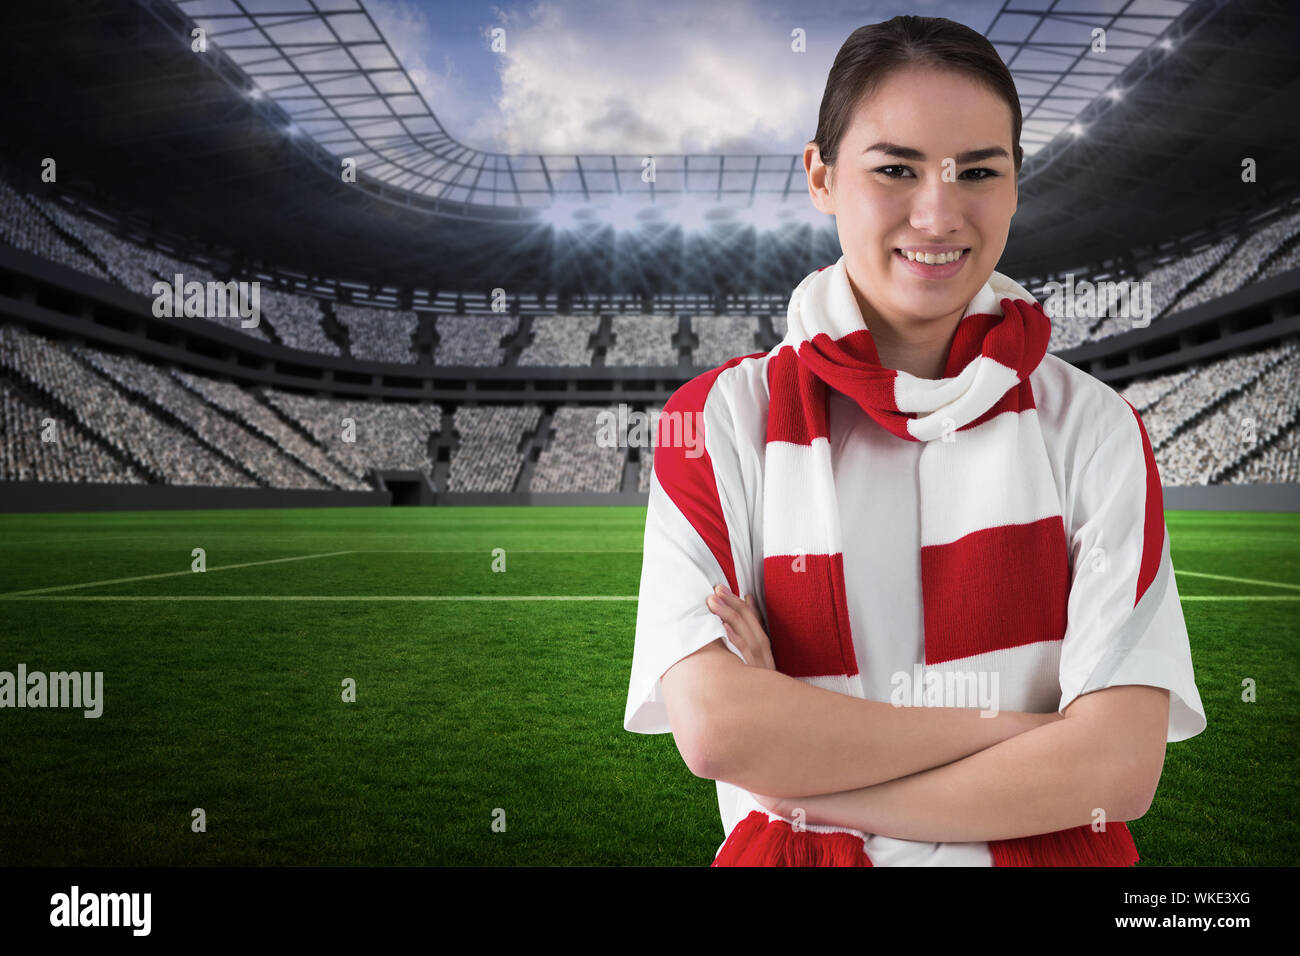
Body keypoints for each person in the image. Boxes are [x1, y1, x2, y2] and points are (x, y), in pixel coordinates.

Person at [622, 15, 1206, 866]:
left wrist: (802, 767)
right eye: (895, 168)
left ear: (1014, 185)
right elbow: (719, 732)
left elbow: (1117, 768)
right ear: (820, 176)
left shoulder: (1096, 427)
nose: (937, 214)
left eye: (978, 171)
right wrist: (1037, 733)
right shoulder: (714, 422)